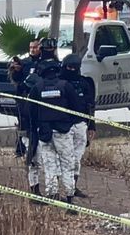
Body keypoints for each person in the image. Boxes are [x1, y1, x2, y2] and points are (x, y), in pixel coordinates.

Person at [25, 55, 81, 209]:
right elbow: (77, 108)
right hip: (63, 133)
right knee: (67, 165)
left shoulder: (37, 88)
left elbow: (31, 112)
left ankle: (52, 196)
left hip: (44, 134)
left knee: (49, 166)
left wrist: (38, 127)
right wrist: (67, 123)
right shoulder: (65, 86)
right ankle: (69, 199)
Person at [60, 53, 96, 199]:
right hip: (63, 126)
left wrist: (92, 125)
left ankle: (73, 187)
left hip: (81, 124)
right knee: (64, 159)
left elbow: (90, 106)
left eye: (75, 68)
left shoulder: (84, 83)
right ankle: (64, 189)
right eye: (69, 67)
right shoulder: (59, 83)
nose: (72, 70)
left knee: (76, 158)